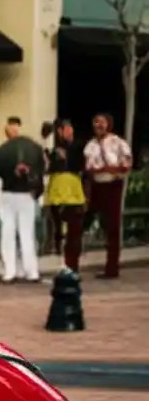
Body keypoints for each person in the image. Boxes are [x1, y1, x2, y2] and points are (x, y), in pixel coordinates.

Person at [0, 117, 45, 283]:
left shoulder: (1, 151)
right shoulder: (34, 147)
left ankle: (10, 271)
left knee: (8, 232)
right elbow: (41, 169)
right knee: (27, 233)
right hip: (27, 193)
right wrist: (38, 191)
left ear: (7, 129)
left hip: (8, 193)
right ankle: (31, 270)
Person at [83, 113, 133, 278]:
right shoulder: (90, 145)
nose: (99, 125)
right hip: (96, 185)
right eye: (96, 122)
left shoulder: (118, 142)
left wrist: (111, 169)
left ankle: (112, 267)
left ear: (109, 124)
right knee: (86, 219)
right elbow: (88, 167)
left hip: (113, 185)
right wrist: (102, 169)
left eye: (102, 122)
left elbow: (125, 165)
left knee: (113, 226)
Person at [44, 119, 86, 272]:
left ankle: (71, 261)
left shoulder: (78, 146)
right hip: (57, 188)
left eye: (70, 128)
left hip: (73, 188)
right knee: (58, 226)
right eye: (64, 129)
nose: (68, 131)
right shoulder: (52, 147)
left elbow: (82, 164)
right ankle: (59, 254)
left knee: (73, 228)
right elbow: (47, 164)